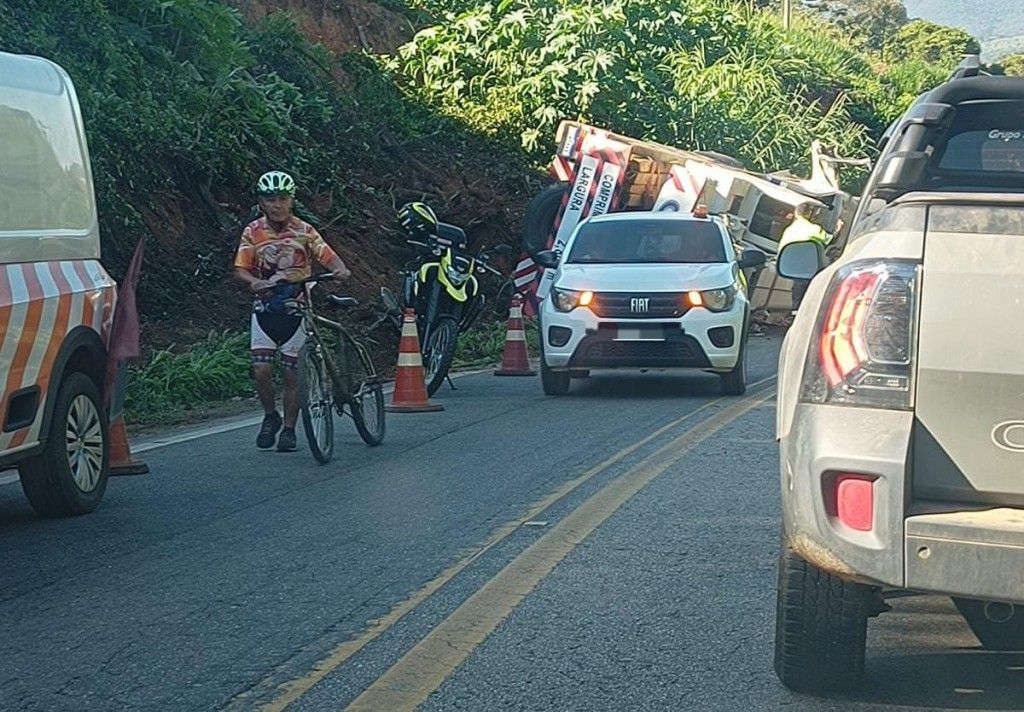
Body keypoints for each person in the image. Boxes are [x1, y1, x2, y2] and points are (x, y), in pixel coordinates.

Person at [234, 171, 350, 452]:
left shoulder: (305, 231)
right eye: (271, 199)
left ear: (292, 200)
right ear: (262, 202)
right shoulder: (253, 231)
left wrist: (339, 269)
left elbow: (328, 255)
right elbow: (240, 268)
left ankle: (289, 429)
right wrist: (254, 282)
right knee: (260, 370)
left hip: (297, 312)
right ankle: (270, 416)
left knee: (291, 375)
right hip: (264, 310)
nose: (278, 205)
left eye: (283, 199)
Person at [779, 202, 834, 311]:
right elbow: (829, 240)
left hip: (791, 267)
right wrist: (840, 228)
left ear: (796, 213)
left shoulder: (789, 230)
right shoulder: (813, 229)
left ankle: (795, 313)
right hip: (809, 267)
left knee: (798, 293)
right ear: (810, 214)